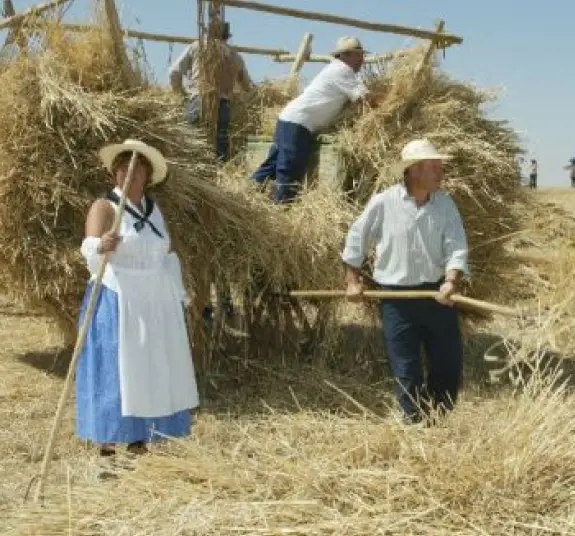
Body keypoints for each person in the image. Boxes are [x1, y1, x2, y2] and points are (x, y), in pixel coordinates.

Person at [76, 139, 199, 457]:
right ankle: (108, 440)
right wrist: (101, 244)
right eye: (122, 168)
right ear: (115, 174)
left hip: (153, 300)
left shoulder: (154, 211)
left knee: (146, 367)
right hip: (117, 296)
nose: (128, 174)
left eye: (136, 168)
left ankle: (139, 438)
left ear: (146, 175)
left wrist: (178, 294)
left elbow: (166, 253)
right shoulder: (104, 207)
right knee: (116, 365)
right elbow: (88, 247)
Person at [341, 138, 469, 424]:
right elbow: (356, 240)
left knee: (448, 365)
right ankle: (414, 423)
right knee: (407, 368)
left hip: (438, 296)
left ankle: (439, 418)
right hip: (396, 300)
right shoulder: (385, 202)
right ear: (413, 170)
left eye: (440, 166)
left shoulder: (445, 205)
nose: (441, 172)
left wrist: (451, 281)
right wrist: (353, 280)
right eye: (434, 167)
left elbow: (457, 246)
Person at [252, 37, 374, 203]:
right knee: (289, 171)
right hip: (298, 124)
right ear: (345, 55)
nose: (362, 60)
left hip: (289, 119)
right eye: (358, 55)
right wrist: (393, 96)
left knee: (271, 166)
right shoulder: (342, 70)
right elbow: (365, 99)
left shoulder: (336, 69)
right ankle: (280, 211)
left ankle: (247, 196)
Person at [169, 21, 253, 163]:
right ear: (227, 36)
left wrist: (180, 93)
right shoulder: (235, 56)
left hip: (198, 99)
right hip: (223, 105)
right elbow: (247, 86)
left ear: (208, 32)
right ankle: (218, 176)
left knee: (190, 141)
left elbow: (174, 72)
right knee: (220, 147)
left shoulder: (197, 47)